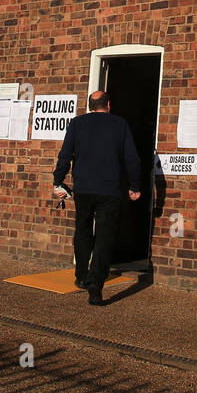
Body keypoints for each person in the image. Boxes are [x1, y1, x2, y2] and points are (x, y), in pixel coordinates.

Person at [52, 90, 141, 305]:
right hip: (109, 189)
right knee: (104, 236)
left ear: (90, 105)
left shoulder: (77, 124)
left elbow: (65, 155)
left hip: (83, 188)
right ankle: (95, 285)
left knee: (82, 230)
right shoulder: (120, 125)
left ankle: (81, 275)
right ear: (108, 104)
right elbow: (132, 158)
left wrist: (58, 180)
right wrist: (135, 185)